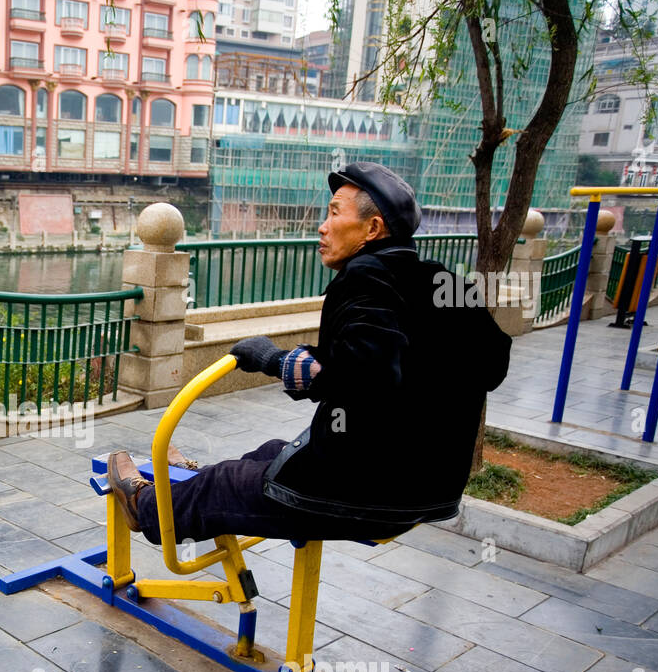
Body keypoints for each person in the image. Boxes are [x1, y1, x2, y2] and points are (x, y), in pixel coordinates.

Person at [107, 162, 513, 545]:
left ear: (372, 228)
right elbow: (495, 360)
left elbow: (362, 373)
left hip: (367, 496)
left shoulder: (366, 278)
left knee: (225, 484)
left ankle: (145, 505)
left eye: (335, 214)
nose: (322, 227)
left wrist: (272, 359)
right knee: (271, 452)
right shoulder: (440, 278)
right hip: (433, 492)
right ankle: (188, 480)